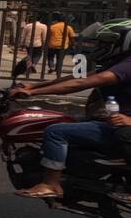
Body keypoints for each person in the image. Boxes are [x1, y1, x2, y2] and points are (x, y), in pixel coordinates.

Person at [14, 20, 131, 199]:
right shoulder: (117, 62)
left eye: (105, 43)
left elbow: (80, 83)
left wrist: (34, 94)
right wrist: (33, 86)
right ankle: (74, 175)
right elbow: (77, 76)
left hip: (121, 127)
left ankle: (50, 184)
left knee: (55, 132)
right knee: (64, 121)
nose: (100, 46)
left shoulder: (127, 65)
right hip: (111, 120)